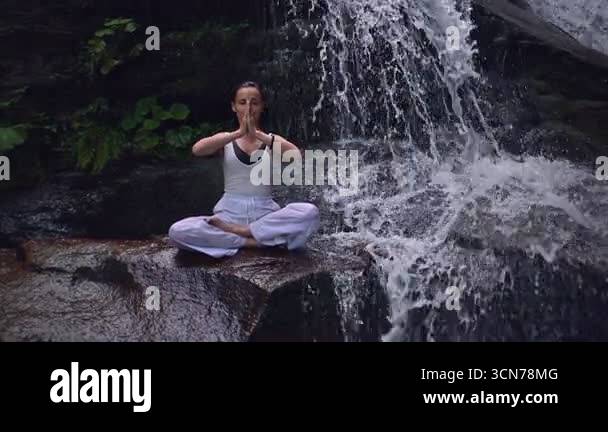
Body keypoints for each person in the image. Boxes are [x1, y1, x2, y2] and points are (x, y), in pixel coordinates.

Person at [168, 81, 320, 258]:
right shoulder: (226, 139)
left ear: (262, 106)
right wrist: (238, 133)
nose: (249, 108)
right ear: (234, 107)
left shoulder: (271, 140)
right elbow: (198, 149)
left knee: (310, 213)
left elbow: (296, 156)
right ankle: (252, 241)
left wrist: (258, 135)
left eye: (254, 102)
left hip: (265, 216)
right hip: (228, 215)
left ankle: (241, 232)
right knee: (177, 231)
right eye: (242, 102)